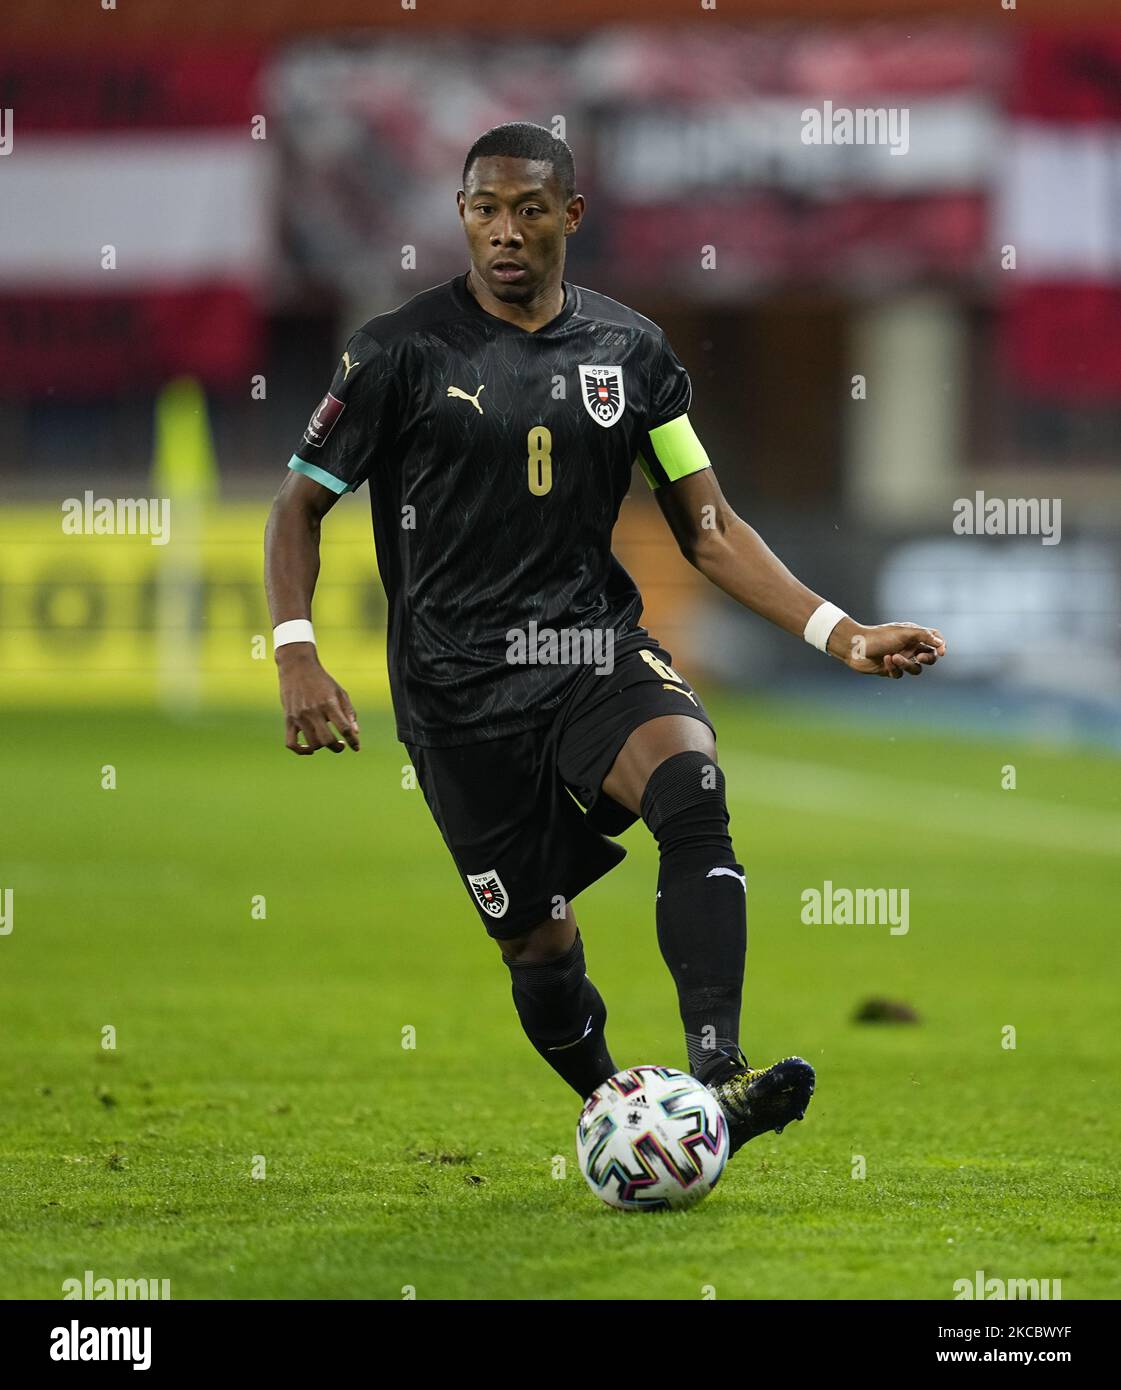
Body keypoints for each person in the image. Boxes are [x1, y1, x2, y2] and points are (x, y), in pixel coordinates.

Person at [264, 122, 946, 1156]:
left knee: (691, 780)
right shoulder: (394, 354)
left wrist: (840, 633)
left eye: (527, 209)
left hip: (587, 653)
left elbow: (706, 527)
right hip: (455, 697)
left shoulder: (630, 353)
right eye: (483, 209)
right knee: (537, 944)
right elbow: (298, 506)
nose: (503, 231)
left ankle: (719, 1074)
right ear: (460, 215)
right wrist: (296, 649)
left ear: (568, 217)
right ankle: (615, 1106)